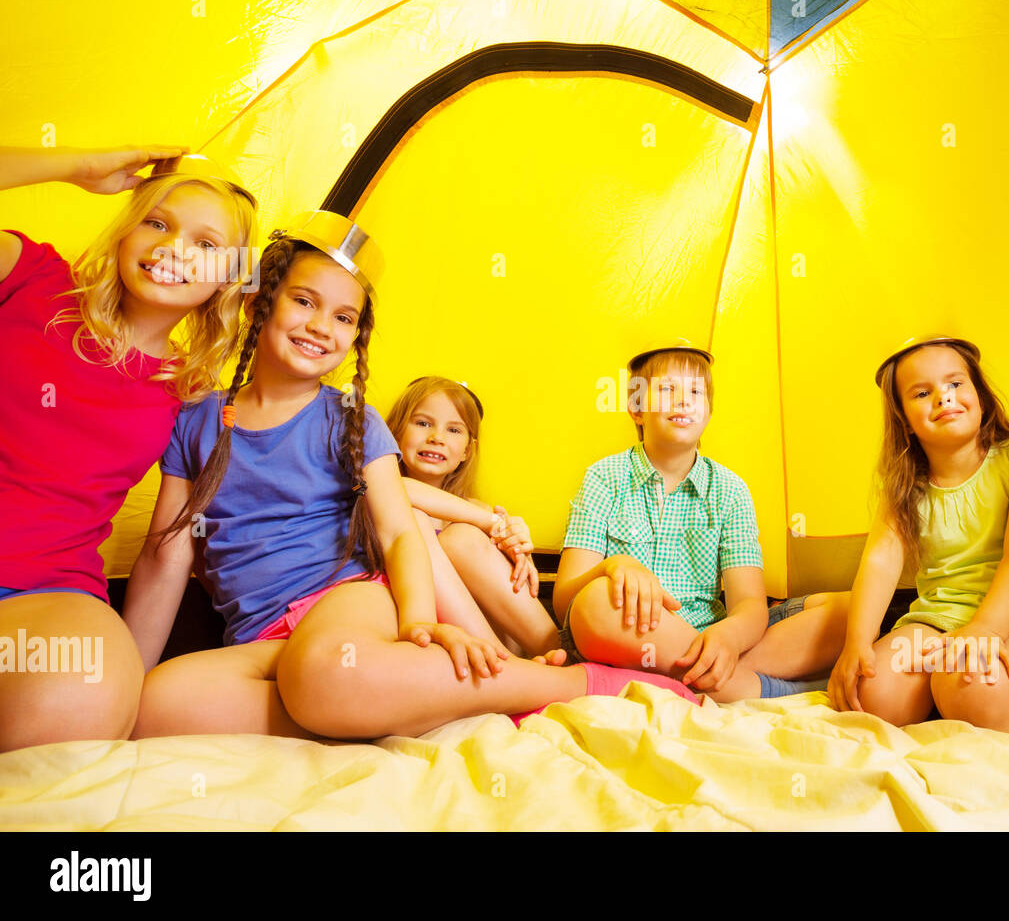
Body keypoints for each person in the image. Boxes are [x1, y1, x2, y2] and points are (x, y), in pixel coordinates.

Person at [124, 213, 693, 739]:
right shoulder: (197, 421)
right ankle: (389, 703)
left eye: (343, 318)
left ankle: (570, 684)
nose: (321, 326)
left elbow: (400, 533)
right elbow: (163, 555)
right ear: (260, 304)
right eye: (304, 302)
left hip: (344, 603)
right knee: (156, 705)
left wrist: (420, 622)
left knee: (325, 674)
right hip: (260, 637)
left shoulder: (350, 420)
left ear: (355, 337)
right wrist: (132, 672)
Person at [0, 145, 256, 751]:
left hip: (44, 595)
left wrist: (125, 694)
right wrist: (72, 165)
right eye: (157, 223)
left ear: (230, 279)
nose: (173, 249)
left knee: (87, 686)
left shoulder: (191, 397)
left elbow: (167, 552)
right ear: (126, 229)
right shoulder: (32, 278)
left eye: (207, 245)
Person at [817, 337, 1009, 737]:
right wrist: (858, 643)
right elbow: (880, 561)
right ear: (904, 417)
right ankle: (957, 704)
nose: (944, 398)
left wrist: (985, 632)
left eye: (956, 384)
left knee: (969, 684)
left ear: (980, 394)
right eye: (923, 393)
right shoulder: (905, 486)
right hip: (936, 624)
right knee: (870, 694)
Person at [553, 342, 810, 701]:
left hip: (709, 636)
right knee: (595, 603)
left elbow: (749, 603)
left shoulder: (730, 490)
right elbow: (565, 602)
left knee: (841, 613)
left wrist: (729, 637)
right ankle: (753, 686)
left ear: (708, 411)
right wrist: (613, 566)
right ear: (637, 410)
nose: (684, 400)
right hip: (630, 635)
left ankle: (703, 669)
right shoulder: (604, 477)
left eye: (695, 391)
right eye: (667, 389)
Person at [386, 376, 562, 659]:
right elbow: (399, 490)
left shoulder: (480, 513)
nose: (437, 437)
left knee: (464, 537)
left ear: (467, 451)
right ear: (394, 435)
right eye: (422, 423)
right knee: (423, 520)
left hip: (499, 639)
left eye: (454, 430)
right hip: (425, 638)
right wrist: (490, 522)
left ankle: (558, 654)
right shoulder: (383, 493)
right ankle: (512, 668)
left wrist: (514, 546)